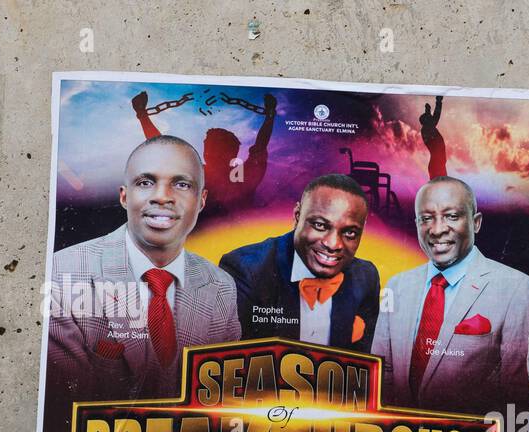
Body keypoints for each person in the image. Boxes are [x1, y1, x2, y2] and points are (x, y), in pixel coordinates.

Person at [47, 134, 240, 398]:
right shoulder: (62, 272)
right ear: (124, 197)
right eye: (146, 182)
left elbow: (220, 397)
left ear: (202, 200)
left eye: (182, 184)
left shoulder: (221, 286)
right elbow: (64, 403)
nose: (162, 197)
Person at [370, 176, 529, 414]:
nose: (437, 230)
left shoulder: (519, 289)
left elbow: (520, 397)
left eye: (452, 216)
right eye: (426, 218)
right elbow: (382, 373)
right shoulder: (397, 285)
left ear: (476, 222)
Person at [218, 174, 380, 351]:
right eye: (320, 225)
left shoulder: (366, 277)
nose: (333, 244)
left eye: (350, 233)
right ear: (297, 217)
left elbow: (364, 362)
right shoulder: (246, 270)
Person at [132, 90, 276, 215]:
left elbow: (260, 146)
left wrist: (142, 115)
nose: (207, 150)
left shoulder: (239, 177)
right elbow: (163, 148)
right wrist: (270, 116)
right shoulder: (198, 172)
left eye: (213, 146)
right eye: (207, 145)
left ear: (230, 152)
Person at [420, 95, 447, 179]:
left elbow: (434, 118)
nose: (432, 118)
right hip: (437, 165)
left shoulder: (428, 128)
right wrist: (438, 102)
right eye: (430, 118)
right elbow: (436, 116)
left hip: (438, 164)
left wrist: (428, 111)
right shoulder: (427, 129)